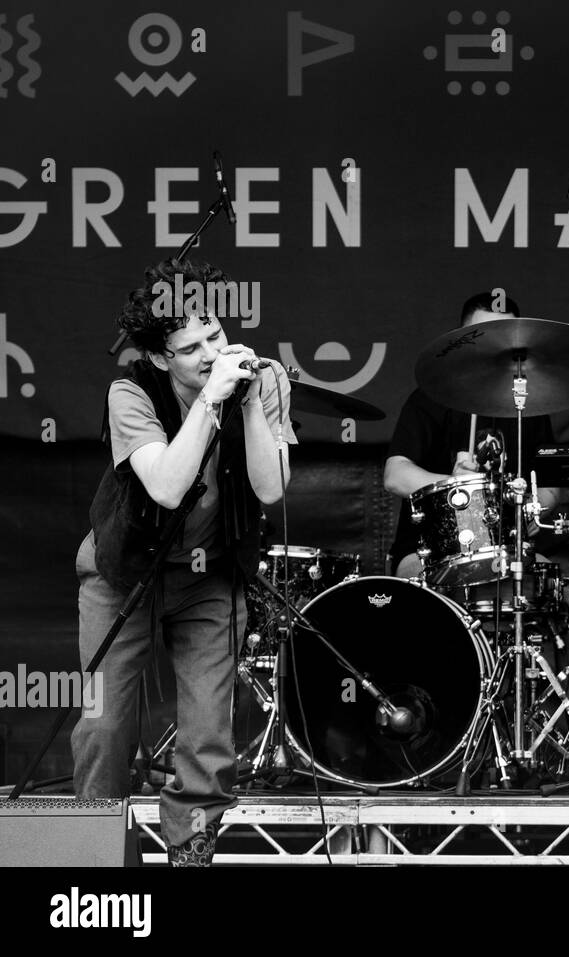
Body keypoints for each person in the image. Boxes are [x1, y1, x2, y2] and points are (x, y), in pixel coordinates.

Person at [72, 258, 295, 867]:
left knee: (208, 734)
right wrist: (209, 402)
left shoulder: (266, 379)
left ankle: (189, 847)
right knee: (103, 725)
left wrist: (248, 403)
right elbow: (167, 486)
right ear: (163, 357)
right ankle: (94, 857)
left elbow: (271, 488)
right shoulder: (132, 392)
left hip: (208, 574)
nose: (208, 354)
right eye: (190, 347)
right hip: (124, 575)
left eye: (215, 336)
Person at [384, 292, 556, 581]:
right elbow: (395, 475)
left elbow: (553, 490)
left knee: (560, 592)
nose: (495, 346)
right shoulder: (432, 397)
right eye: (484, 336)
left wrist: (529, 506)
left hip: (509, 550)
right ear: (463, 341)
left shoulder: (529, 405)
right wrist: (459, 487)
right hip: (429, 552)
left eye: (505, 337)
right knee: (422, 592)